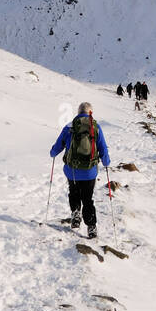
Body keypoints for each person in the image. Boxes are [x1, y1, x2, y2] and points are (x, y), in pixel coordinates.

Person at [49, 101, 110, 238]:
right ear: (90, 113)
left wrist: (53, 153)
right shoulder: (95, 127)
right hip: (89, 172)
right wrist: (106, 162)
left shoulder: (69, 127)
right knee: (88, 198)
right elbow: (103, 148)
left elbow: (58, 145)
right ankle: (91, 227)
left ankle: (76, 213)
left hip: (72, 170)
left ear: (78, 112)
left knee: (74, 191)